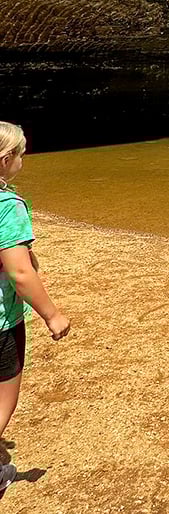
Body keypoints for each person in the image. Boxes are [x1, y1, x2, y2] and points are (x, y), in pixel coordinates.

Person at [0, 122, 70, 493]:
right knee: (2, 400)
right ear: (6, 159)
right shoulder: (8, 206)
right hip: (1, 322)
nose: (23, 162)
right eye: (21, 155)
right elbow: (19, 272)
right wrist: (52, 314)